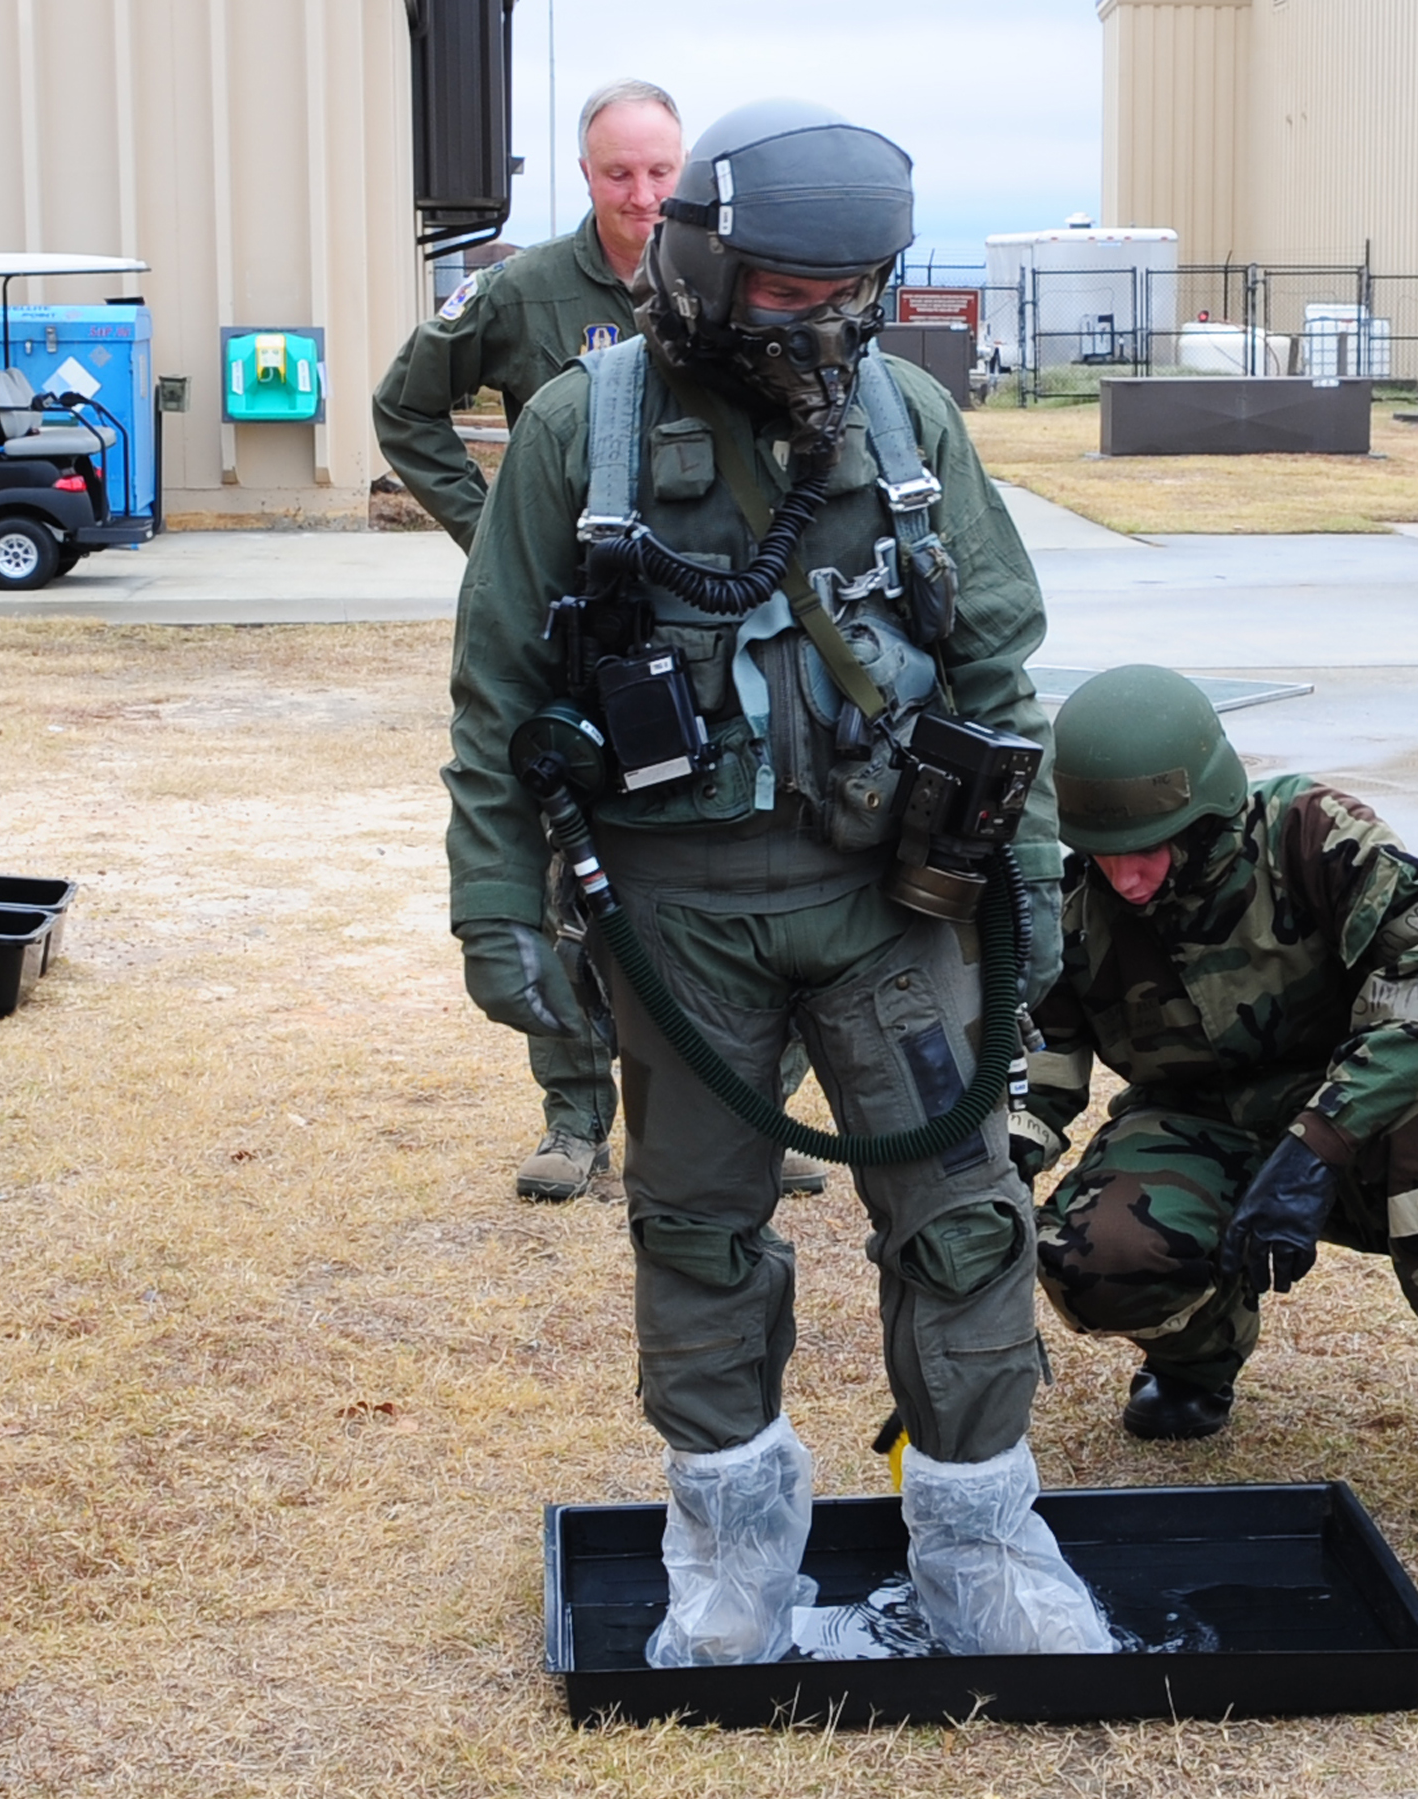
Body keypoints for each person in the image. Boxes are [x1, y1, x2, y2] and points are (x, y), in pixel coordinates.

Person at [443, 100, 1104, 1662]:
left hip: (895, 907)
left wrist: (1030, 882)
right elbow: (494, 698)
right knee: (696, 1234)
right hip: (677, 922)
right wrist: (495, 910)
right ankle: (732, 1566)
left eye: (847, 292)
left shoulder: (906, 420)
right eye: (789, 293)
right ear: (701, 268)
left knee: (964, 1224)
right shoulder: (580, 432)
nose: (822, 323)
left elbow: (996, 665)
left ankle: (980, 1555)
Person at [1023, 664, 1418, 1591]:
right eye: (1105, 851)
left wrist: (1319, 1143)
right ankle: (1196, 1357)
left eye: (1148, 848)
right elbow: (1043, 1061)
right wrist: (991, 1169)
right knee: (1093, 1254)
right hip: (1195, 1125)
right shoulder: (1078, 897)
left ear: (1208, 812)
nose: (1127, 877)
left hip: (1366, 1115)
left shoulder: (1311, 835)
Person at [381, 80, 820, 1206]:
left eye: (661, 171)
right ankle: (575, 1117)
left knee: (758, 859)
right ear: (586, 176)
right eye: (619, 173)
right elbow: (404, 406)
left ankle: (752, 1112)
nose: (642, 194)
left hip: (723, 624)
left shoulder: (736, 279)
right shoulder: (522, 288)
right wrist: (494, 530)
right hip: (582, 628)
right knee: (567, 868)